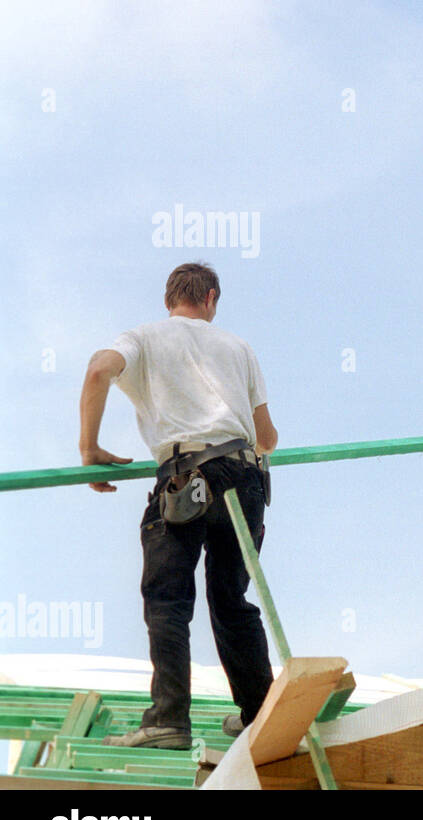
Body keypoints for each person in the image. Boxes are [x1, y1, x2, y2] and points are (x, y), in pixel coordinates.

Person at [78, 262, 278, 748]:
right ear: (210, 298)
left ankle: (168, 718)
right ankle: (259, 715)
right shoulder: (239, 347)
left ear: (170, 299)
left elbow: (99, 368)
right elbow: (267, 437)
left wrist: (91, 449)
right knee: (231, 601)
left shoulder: (144, 338)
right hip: (243, 475)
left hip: (184, 476)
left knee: (168, 599)